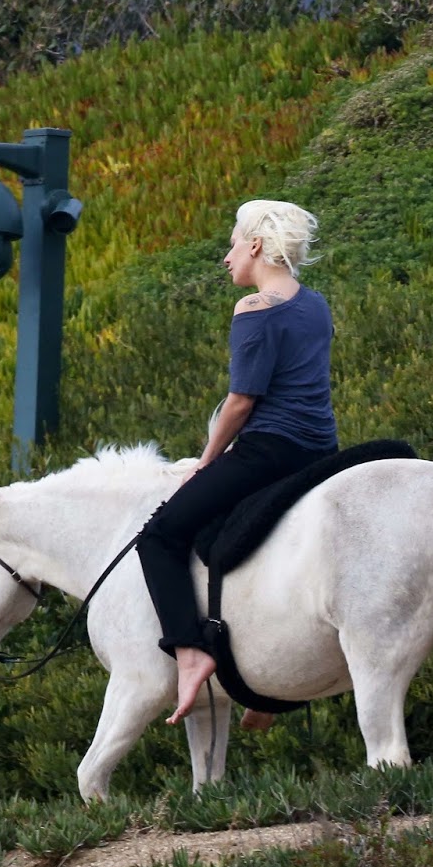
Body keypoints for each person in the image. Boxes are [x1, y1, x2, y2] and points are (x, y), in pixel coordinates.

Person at [136, 199, 339, 727]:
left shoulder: (255, 309)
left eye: (232, 243)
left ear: (254, 245)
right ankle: (267, 689)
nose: (226, 256)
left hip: (269, 451)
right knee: (249, 537)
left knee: (158, 536)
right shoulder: (315, 304)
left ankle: (190, 651)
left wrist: (205, 461)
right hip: (321, 452)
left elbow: (241, 402)